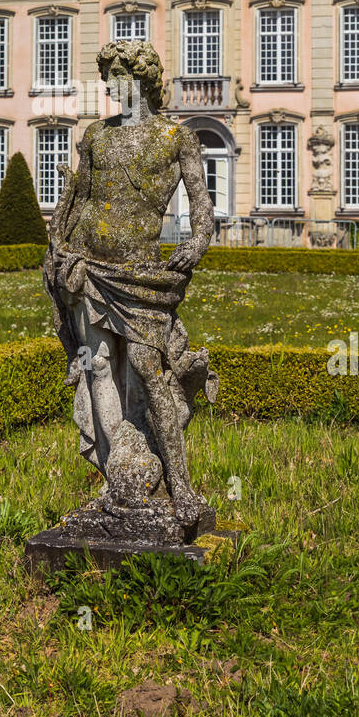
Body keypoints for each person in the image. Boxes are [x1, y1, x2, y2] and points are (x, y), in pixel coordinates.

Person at [44, 40, 217, 535]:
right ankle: (114, 472)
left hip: (139, 274)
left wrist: (195, 244)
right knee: (97, 365)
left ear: (144, 79)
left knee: (150, 368)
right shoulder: (96, 135)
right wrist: (60, 250)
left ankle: (181, 485)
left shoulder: (175, 138)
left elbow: (203, 212)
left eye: (121, 76)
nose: (113, 87)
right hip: (89, 267)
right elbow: (75, 202)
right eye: (109, 78)